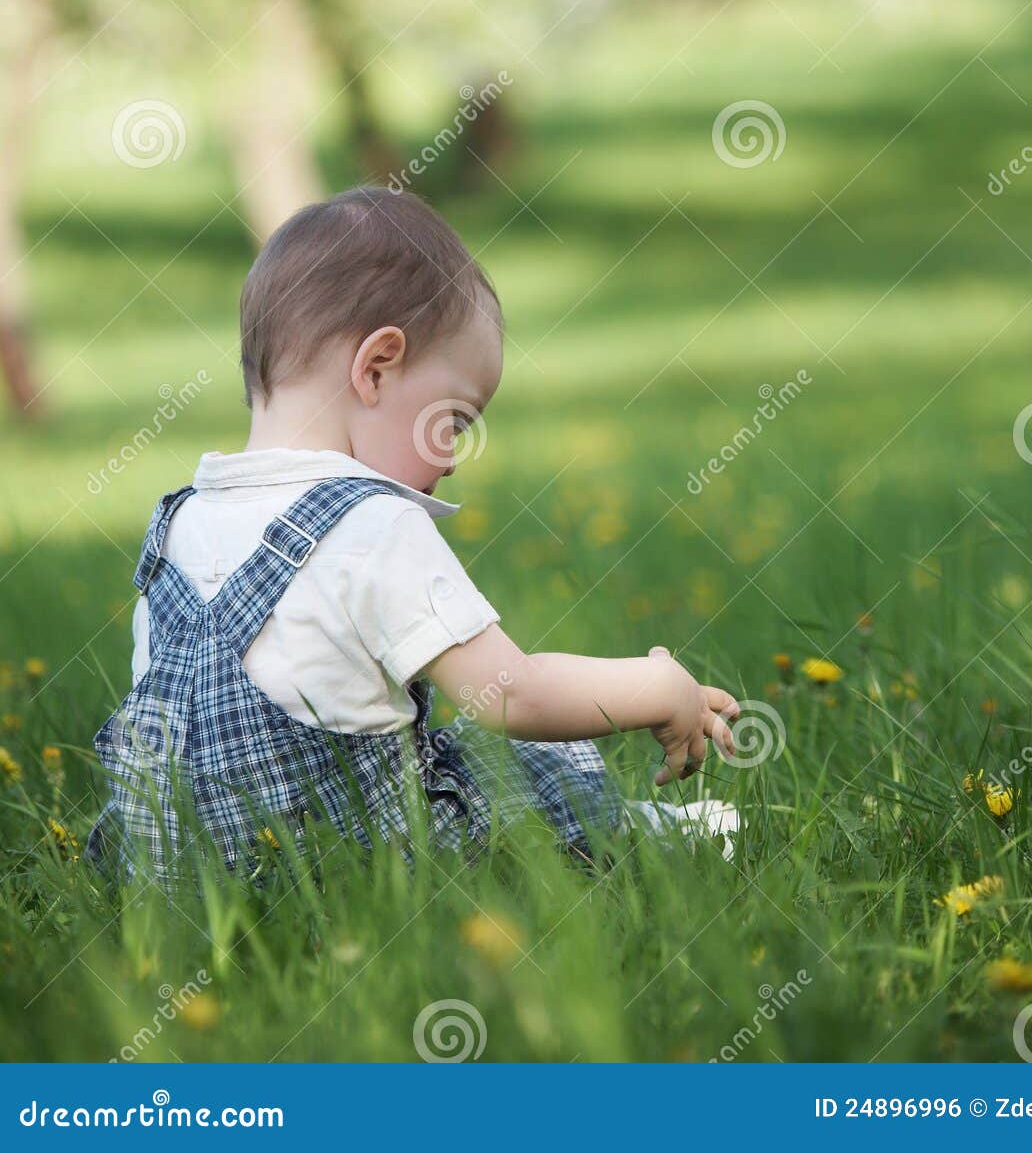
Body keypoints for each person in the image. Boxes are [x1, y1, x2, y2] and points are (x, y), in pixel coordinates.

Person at [88, 186, 740, 878]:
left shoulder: (179, 521)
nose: (454, 458)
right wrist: (656, 687)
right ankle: (665, 841)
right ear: (375, 368)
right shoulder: (370, 522)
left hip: (184, 877)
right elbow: (513, 693)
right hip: (358, 873)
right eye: (454, 421)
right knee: (530, 763)